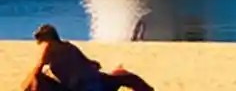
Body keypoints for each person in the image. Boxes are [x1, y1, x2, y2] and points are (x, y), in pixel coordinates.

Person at [23, 24, 154, 91]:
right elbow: (87, 62)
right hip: (87, 85)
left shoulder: (59, 48)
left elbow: (83, 60)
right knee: (124, 76)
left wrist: (91, 63)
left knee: (124, 75)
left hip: (88, 84)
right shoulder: (59, 50)